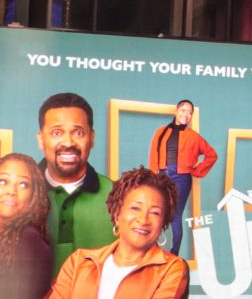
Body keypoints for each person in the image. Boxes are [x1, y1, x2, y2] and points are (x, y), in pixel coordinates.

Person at [47, 166, 187, 299]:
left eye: (155, 213)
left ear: (164, 222)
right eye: (135, 208)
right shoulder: (78, 261)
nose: (143, 220)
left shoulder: (171, 269)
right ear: (117, 214)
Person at [37, 92, 115, 274]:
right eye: (57, 132)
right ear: (41, 139)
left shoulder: (120, 196)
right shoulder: (16, 195)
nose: (68, 142)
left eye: (78, 132)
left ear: (92, 138)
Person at [146, 99, 217, 257]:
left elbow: (212, 155)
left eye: (190, 112)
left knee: (175, 215)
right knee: (157, 211)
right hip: (162, 176)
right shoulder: (161, 131)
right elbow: (153, 154)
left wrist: (197, 171)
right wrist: (153, 176)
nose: (186, 114)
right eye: (183, 110)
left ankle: (174, 254)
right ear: (176, 111)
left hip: (182, 178)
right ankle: (152, 250)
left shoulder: (194, 137)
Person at [0, 153, 52, 299]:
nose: (11, 191)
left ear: (33, 195)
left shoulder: (30, 239)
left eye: (23, 185)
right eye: (3, 182)